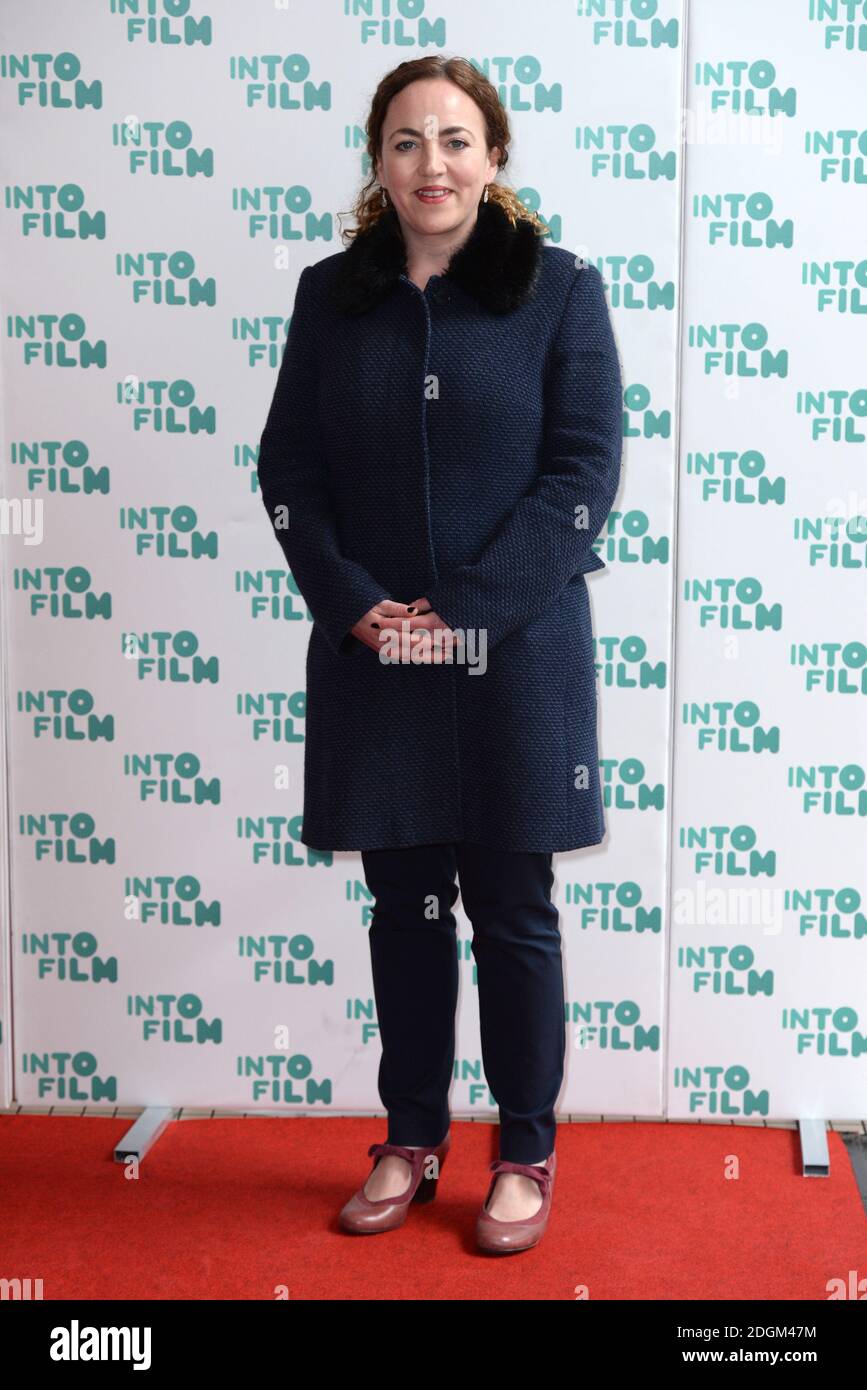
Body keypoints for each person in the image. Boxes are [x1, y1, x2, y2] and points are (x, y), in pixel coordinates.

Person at [256, 54, 623, 1254]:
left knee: (513, 906)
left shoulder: (560, 291)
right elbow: (290, 475)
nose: (433, 164)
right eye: (408, 142)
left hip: (514, 659)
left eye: (456, 140)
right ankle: (411, 1137)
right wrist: (357, 604)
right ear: (378, 161)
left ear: (495, 156)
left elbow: (582, 477)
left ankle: (525, 1150)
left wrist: (464, 611)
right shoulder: (330, 297)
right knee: (404, 907)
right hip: (375, 661)